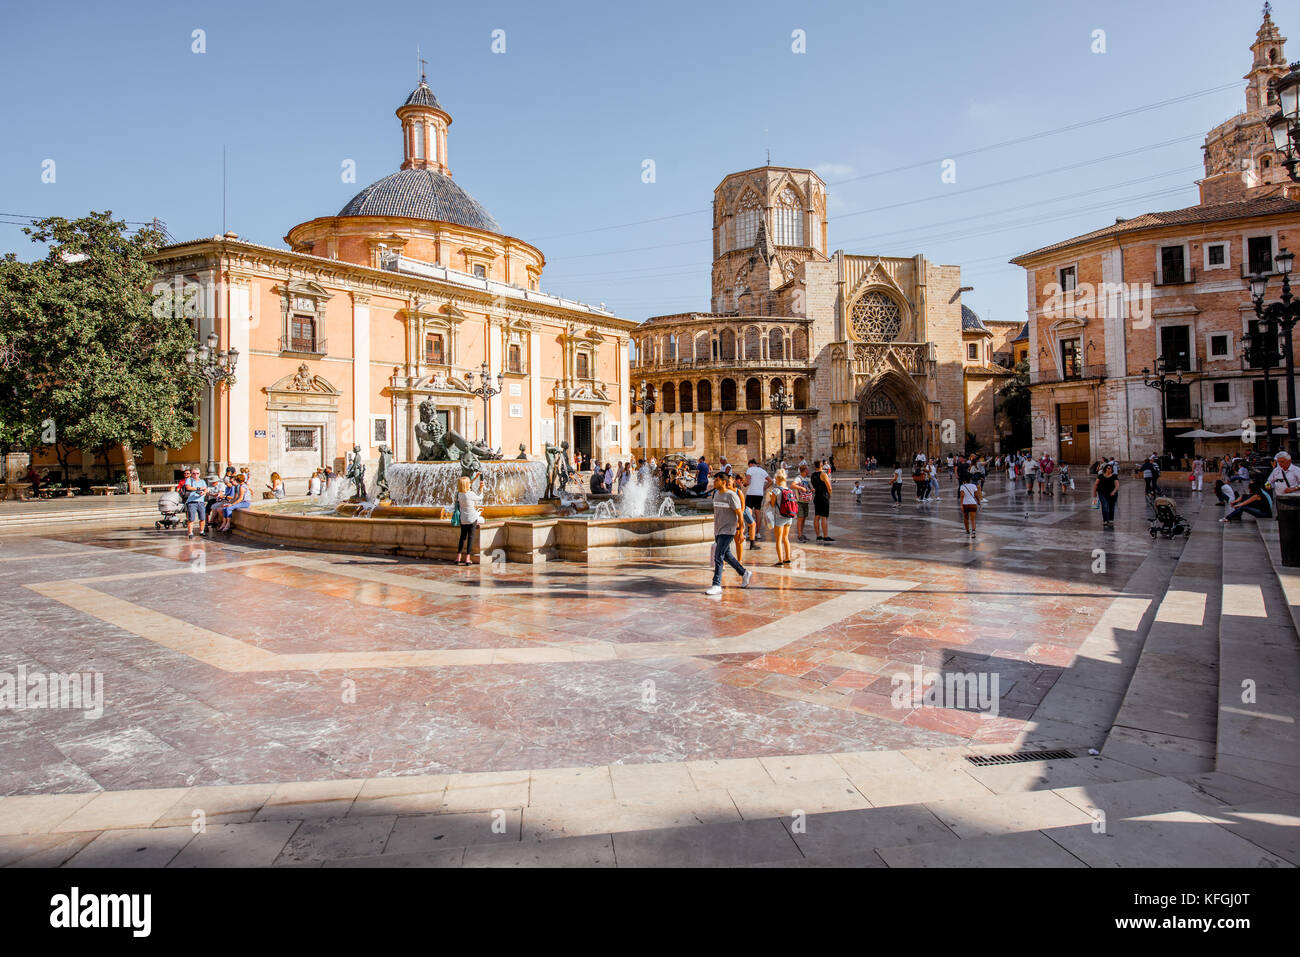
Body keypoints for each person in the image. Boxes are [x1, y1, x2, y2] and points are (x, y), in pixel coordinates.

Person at [706, 472, 751, 595]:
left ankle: (716, 584)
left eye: (717, 480)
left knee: (718, 556)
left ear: (724, 482)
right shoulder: (716, 495)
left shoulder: (731, 495)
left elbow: (740, 514)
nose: (714, 482)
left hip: (729, 530)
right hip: (718, 530)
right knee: (726, 555)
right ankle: (744, 573)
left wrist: (741, 532)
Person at [767, 469, 795, 566]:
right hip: (789, 516)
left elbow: (772, 504)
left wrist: (770, 497)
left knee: (778, 539)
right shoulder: (789, 490)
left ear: (777, 479)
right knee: (786, 538)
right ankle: (787, 558)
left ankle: (780, 560)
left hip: (779, 517)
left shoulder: (776, 490)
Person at [454, 474, 483, 565]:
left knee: (462, 538)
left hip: (463, 519)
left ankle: (458, 558)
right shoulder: (470, 494)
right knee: (470, 538)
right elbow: (480, 497)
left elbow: (466, 484)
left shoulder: (459, 494)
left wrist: (475, 478)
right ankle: (467, 559)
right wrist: (481, 489)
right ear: (467, 485)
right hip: (472, 519)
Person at [744, 458, 770, 548]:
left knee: (749, 512)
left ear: (750, 464)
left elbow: (747, 482)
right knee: (758, 513)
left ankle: (750, 532)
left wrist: (744, 484)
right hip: (759, 494)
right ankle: (758, 533)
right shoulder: (762, 471)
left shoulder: (750, 469)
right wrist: (764, 488)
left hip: (751, 493)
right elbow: (770, 481)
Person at [812, 459, 833, 543]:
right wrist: (829, 495)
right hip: (823, 497)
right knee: (824, 516)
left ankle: (818, 536)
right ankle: (825, 536)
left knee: (817, 516)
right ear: (821, 465)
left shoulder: (813, 475)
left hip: (817, 496)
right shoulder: (823, 474)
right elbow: (829, 487)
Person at [1093, 463, 1119, 529]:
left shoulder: (1114, 476)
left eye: (1110, 469)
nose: (1109, 470)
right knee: (1104, 506)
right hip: (1102, 493)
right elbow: (1096, 484)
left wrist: (1114, 491)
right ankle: (1105, 520)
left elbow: (1117, 486)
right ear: (1105, 469)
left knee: (1111, 507)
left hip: (1112, 494)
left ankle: (1110, 519)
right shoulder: (1100, 476)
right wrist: (1094, 492)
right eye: (1108, 468)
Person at [182, 468, 207, 537]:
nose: (196, 475)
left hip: (201, 501)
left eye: (197, 473)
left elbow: (205, 489)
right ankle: (190, 533)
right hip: (192, 502)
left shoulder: (202, 481)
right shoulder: (189, 480)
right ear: (191, 474)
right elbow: (188, 487)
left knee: (202, 518)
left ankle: (202, 531)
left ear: (199, 474)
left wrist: (203, 493)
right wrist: (198, 488)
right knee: (191, 518)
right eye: (194, 473)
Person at [794, 464, 813, 543]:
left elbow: (809, 487)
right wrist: (801, 487)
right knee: (800, 518)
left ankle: (801, 534)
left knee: (804, 518)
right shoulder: (798, 478)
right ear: (804, 471)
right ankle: (799, 535)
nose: (808, 471)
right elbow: (792, 485)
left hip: (806, 501)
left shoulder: (806, 479)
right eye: (807, 470)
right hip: (800, 501)